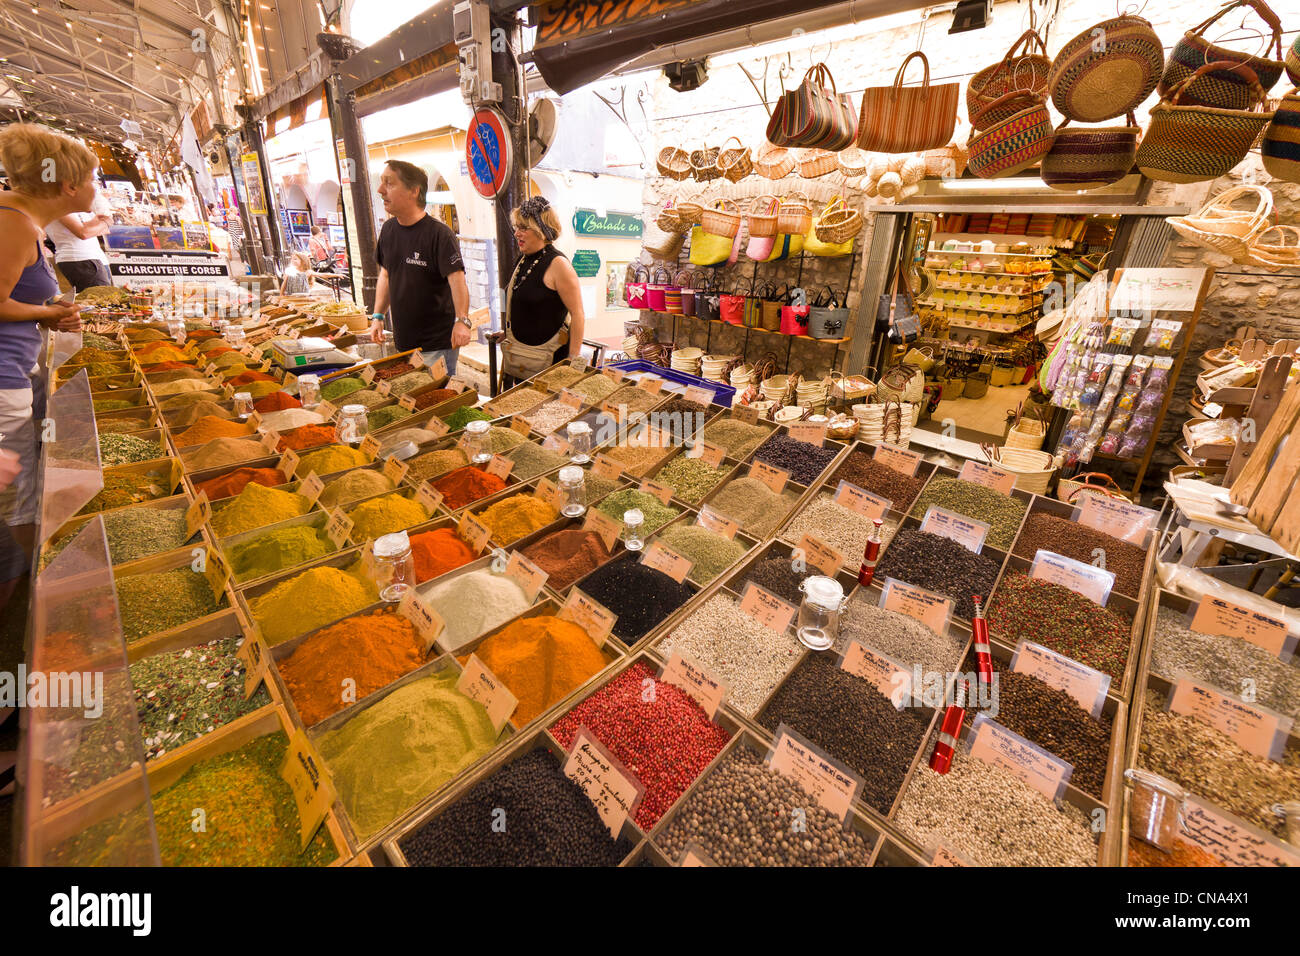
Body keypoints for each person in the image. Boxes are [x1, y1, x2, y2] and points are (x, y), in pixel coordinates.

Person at [0, 123, 86, 556]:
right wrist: (48, 312)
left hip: (14, 370)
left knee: (23, 486)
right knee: (17, 494)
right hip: (1, 381)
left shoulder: (18, 219)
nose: (95, 189)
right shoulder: (12, 223)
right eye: (91, 180)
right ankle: (23, 590)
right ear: (69, 186)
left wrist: (46, 316)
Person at [368, 160, 470, 375]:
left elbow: (457, 280)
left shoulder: (440, 235)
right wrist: (378, 316)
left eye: (389, 183)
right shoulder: (388, 230)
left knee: (438, 402)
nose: (380, 190)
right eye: (381, 183)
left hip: (436, 345)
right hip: (403, 341)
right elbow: (386, 274)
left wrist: (462, 321)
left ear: (414, 190)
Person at [500, 197, 586, 388]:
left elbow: (578, 313)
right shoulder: (522, 260)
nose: (516, 233)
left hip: (550, 362)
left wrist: (573, 359)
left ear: (541, 230)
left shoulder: (559, 265)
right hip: (522, 360)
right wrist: (508, 331)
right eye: (516, 227)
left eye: (523, 228)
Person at [44, 209, 112, 292]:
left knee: (106, 297)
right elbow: (83, 233)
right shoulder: (59, 205)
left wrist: (98, 224)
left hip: (95, 258)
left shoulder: (76, 208)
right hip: (80, 259)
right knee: (100, 299)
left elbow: (103, 230)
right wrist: (105, 223)